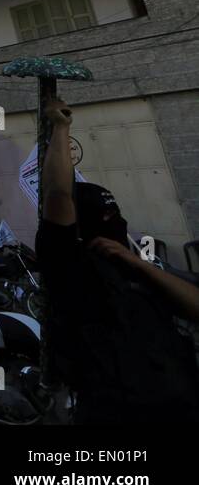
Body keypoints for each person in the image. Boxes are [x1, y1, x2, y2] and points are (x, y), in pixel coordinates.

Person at [37, 97, 199, 424]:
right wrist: (61, 128)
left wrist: (140, 265)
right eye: (103, 216)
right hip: (114, 411)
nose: (113, 222)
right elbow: (57, 194)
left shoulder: (135, 266)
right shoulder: (70, 268)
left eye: (115, 214)